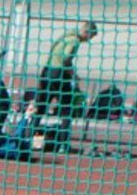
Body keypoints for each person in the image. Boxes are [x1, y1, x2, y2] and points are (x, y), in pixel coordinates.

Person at [33, 20, 97, 152]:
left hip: (46, 73)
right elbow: (66, 59)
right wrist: (72, 74)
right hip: (59, 76)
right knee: (67, 110)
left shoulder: (64, 37)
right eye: (90, 36)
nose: (89, 40)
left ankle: (27, 138)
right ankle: (63, 144)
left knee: (40, 108)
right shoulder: (74, 41)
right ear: (87, 32)